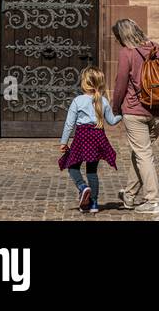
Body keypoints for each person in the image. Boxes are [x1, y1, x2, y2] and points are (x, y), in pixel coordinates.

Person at [111, 18, 159, 214]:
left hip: (135, 111)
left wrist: (116, 107)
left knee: (143, 154)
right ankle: (129, 195)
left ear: (123, 35)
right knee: (141, 153)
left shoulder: (127, 53)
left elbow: (120, 84)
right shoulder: (157, 48)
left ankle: (152, 200)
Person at [58, 65, 122, 213]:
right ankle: (93, 204)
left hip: (82, 137)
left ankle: (82, 186)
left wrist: (63, 142)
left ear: (84, 83)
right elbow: (112, 121)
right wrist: (122, 114)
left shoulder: (78, 100)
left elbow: (69, 124)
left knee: (72, 166)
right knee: (92, 171)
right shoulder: (104, 101)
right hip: (97, 137)